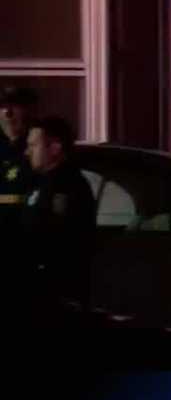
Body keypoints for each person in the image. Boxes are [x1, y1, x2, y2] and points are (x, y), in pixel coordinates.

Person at [23, 116, 97, 307]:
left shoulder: (70, 186)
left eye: (33, 146)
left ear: (55, 148)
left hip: (57, 292)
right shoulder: (40, 182)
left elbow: (54, 239)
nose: (27, 152)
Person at [0, 86, 36, 228]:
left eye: (14, 106)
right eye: (2, 107)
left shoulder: (40, 148)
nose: (7, 113)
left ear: (28, 110)